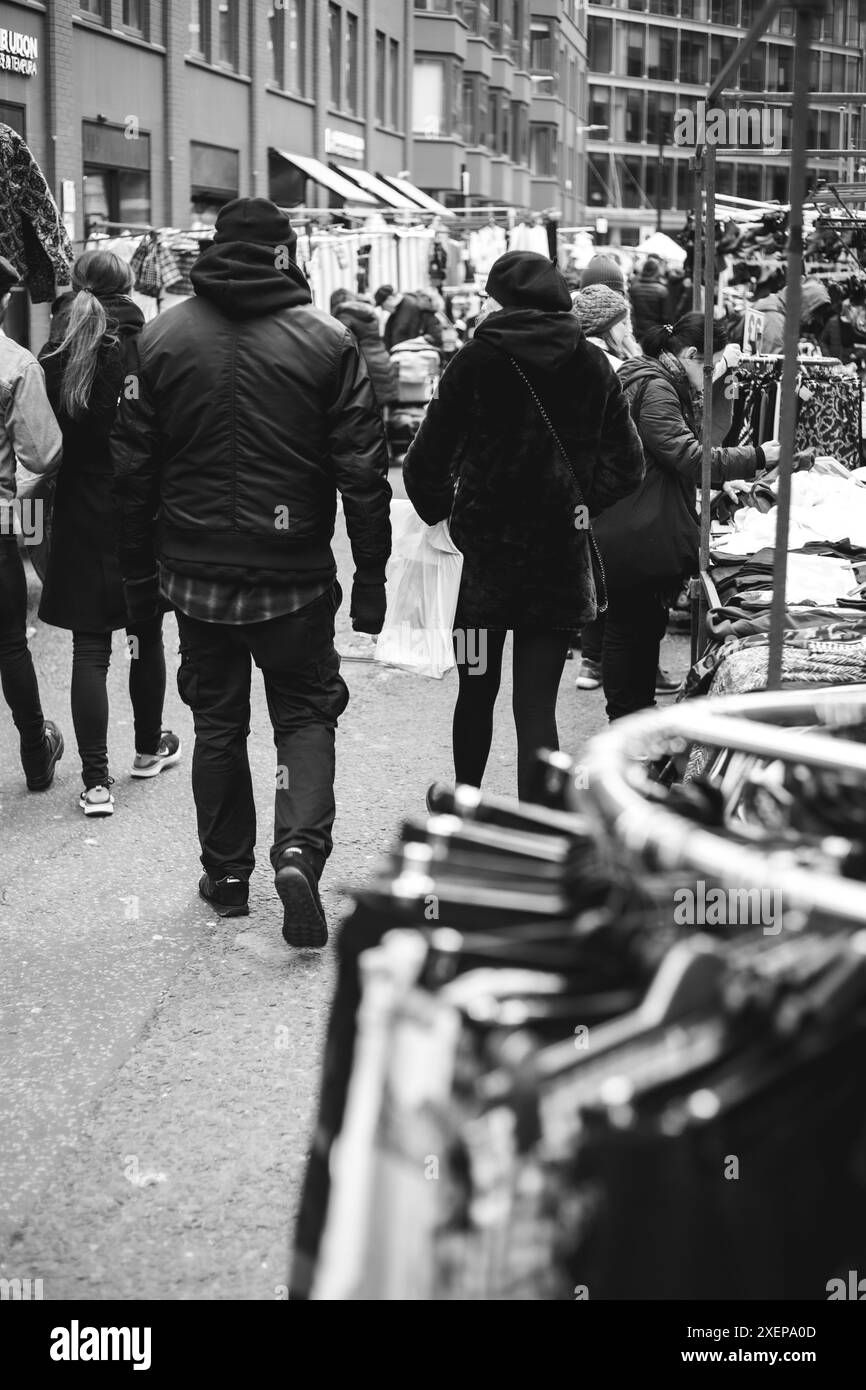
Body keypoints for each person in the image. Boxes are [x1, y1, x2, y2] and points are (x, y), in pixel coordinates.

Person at [112, 197, 391, 948]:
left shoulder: (162, 338)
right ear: (285, 253)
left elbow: (132, 467)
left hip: (195, 572)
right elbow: (363, 470)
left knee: (218, 721)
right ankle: (297, 848)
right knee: (303, 714)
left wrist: (138, 576)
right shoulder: (327, 341)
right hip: (294, 574)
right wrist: (370, 577)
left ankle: (228, 873)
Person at [403, 250, 645, 800]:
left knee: (476, 690)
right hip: (558, 565)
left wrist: (446, 514)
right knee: (536, 706)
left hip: (480, 571)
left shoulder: (473, 362)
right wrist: (581, 504)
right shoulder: (591, 364)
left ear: (501, 299)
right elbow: (627, 467)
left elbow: (423, 464)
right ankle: (535, 829)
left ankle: (464, 805)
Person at [38, 250, 178, 816]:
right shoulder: (150, 349)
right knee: (144, 636)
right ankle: (148, 750)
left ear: (77, 286)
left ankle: (96, 784)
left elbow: (42, 446)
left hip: (79, 507)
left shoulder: (55, 354)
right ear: (129, 288)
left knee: (89, 647)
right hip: (140, 509)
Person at [593, 313, 783, 722]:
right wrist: (759, 456)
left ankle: (634, 717)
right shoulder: (658, 386)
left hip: (631, 524)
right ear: (692, 354)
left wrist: (716, 486)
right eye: (710, 367)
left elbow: (670, 457)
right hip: (636, 530)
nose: (710, 376)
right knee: (632, 632)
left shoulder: (651, 378)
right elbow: (688, 456)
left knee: (637, 630)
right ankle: (627, 723)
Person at [0, 255, 65, 791]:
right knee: (9, 645)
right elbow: (42, 453)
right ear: (5, 301)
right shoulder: (16, 364)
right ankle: (34, 753)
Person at [330, 288, 398, 411]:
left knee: (365, 411)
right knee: (380, 410)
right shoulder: (369, 313)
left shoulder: (344, 315)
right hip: (381, 360)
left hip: (364, 365)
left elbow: (340, 343)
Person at [752, 277, 831, 354]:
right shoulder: (775, 321)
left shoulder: (773, 303)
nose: (809, 322)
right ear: (803, 305)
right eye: (811, 315)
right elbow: (770, 363)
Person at [380, 286, 444, 352]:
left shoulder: (429, 316)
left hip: (413, 353)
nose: (421, 300)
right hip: (406, 352)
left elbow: (436, 337)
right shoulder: (418, 311)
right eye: (421, 297)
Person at [629, 256, 669, 340]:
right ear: (656, 271)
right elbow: (666, 317)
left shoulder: (634, 288)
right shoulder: (662, 290)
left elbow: (631, 312)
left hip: (637, 332)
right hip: (655, 334)